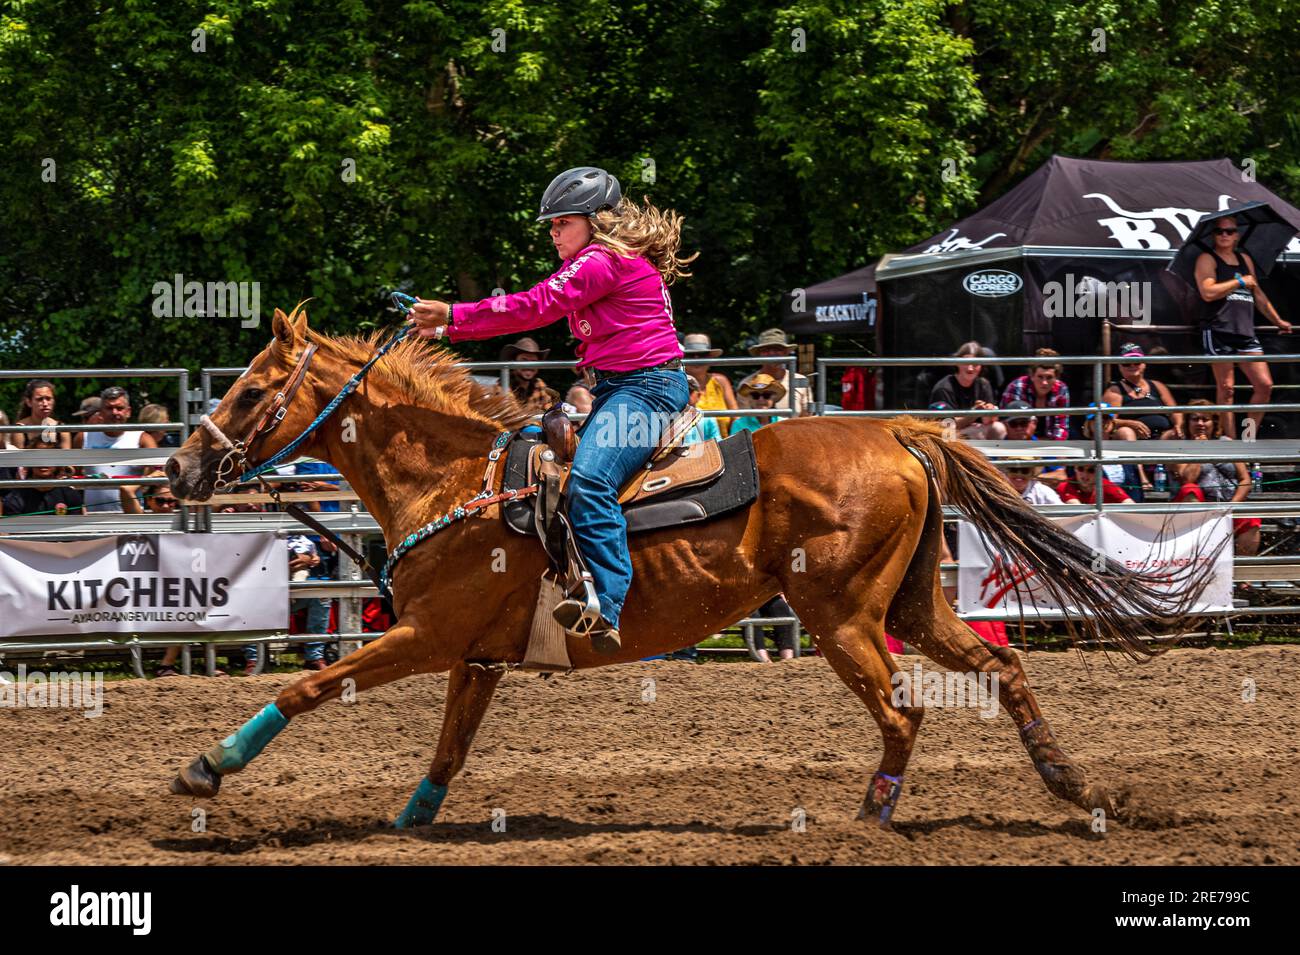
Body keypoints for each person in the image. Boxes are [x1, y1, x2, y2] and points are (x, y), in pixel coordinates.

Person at [408, 165, 694, 653]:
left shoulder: (601, 260)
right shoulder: (613, 259)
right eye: (552, 225)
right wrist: (446, 329)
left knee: (589, 480)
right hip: (629, 389)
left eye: (563, 223)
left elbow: (537, 306)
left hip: (643, 390)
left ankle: (606, 601)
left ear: (595, 220)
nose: (554, 233)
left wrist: (454, 317)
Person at [1195, 215, 1292, 438]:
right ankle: (1230, 441)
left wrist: (1277, 321)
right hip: (1219, 328)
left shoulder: (1244, 259)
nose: (1225, 235)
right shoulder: (1206, 258)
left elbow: (1258, 294)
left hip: (1245, 331)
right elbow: (1207, 292)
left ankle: (1248, 436)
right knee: (1227, 388)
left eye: (1229, 231)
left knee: (1264, 385)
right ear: (1213, 235)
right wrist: (1239, 282)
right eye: (1220, 231)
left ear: (1237, 235)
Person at [1171, 399, 1262, 556]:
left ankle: (1243, 577)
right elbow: (1187, 480)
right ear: (1187, 422)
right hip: (1197, 510)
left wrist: (1231, 506)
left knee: (1250, 519)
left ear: (1213, 422)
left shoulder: (1227, 443)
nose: (1200, 423)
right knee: (1189, 489)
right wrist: (1200, 449)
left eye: (1205, 419)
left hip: (1228, 504)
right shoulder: (1179, 447)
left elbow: (1245, 480)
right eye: (1195, 419)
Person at [81, 387, 156, 513]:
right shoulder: (85, 436)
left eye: (120, 408)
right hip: (91, 520)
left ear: (128, 412)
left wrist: (135, 486)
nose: (115, 412)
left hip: (129, 519)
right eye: (109, 408)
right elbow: (73, 473)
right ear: (100, 412)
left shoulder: (142, 439)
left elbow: (158, 474)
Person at [1102, 343, 1183, 440]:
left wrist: (1178, 425)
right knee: (1125, 432)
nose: (1132, 365)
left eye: (1136, 361)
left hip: (1162, 436)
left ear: (1144, 364)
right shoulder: (1114, 391)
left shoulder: (1158, 386)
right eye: (1126, 363)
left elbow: (1175, 411)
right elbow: (1107, 422)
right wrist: (1130, 424)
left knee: (1174, 434)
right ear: (1120, 366)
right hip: (1133, 438)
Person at [928, 341, 1006, 440]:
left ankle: (995, 456)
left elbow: (988, 422)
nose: (970, 368)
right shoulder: (944, 388)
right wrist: (973, 415)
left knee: (998, 428)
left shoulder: (983, 385)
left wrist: (989, 413)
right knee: (975, 433)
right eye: (965, 363)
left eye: (975, 364)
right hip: (946, 437)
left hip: (974, 430)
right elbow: (946, 428)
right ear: (957, 363)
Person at [0, 438, 84, 517]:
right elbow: (10, 530)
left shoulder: (70, 494)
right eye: (37, 457)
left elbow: (77, 528)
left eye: (48, 457)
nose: (43, 462)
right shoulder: (15, 497)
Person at [738, 328, 811, 418]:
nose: (772, 353)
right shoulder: (747, 385)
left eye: (777, 349)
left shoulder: (800, 381)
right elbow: (744, 421)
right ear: (759, 354)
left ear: (785, 353)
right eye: (766, 350)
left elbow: (807, 418)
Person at [1000, 348, 1069, 440]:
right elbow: (1011, 424)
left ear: (1056, 378)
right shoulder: (1017, 387)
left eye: (1049, 377)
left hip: (1049, 443)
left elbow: (1061, 426)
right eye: (1040, 377)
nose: (1044, 382)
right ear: (1032, 376)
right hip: (1019, 440)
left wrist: (1056, 449)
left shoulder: (1061, 389)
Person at [1081, 402, 1145, 500]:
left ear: (1112, 423)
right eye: (1096, 418)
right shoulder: (1082, 451)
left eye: (1106, 418)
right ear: (1088, 424)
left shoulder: (1122, 450)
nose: (1102, 422)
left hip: (1128, 506)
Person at [681, 333, 738, 435]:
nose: (696, 358)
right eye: (691, 355)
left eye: (702, 355)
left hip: (724, 445)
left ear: (710, 358)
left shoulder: (721, 381)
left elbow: (736, 417)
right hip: (689, 447)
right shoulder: (677, 383)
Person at [499, 337, 559, 415]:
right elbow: (512, 417)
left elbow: (549, 409)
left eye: (533, 362)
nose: (529, 366)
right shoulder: (503, 385)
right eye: (524, 360)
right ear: (513, 362)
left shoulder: (539, 383)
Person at [11, 379, 71, 450]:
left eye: (48, 399)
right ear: (29, 402)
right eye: (39, 399)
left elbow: (67, 459)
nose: (45, 404)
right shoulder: (19, 431)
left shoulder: (62, 430)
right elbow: (18, 460)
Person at [1056, 463, 1132, 505]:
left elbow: (1129, 504)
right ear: (1075, 469)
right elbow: (1077, 509)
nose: (1084, 474)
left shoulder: (1105, 484)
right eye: (1080, 469)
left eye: (1091, 470)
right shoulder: (1065, 485)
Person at [682, 378, 723, 445]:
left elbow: (718, 443)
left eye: (690, 391)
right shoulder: (670, 416)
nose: (685, 395)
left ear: (699, 395)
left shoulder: (708, 417)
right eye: (682, 392)